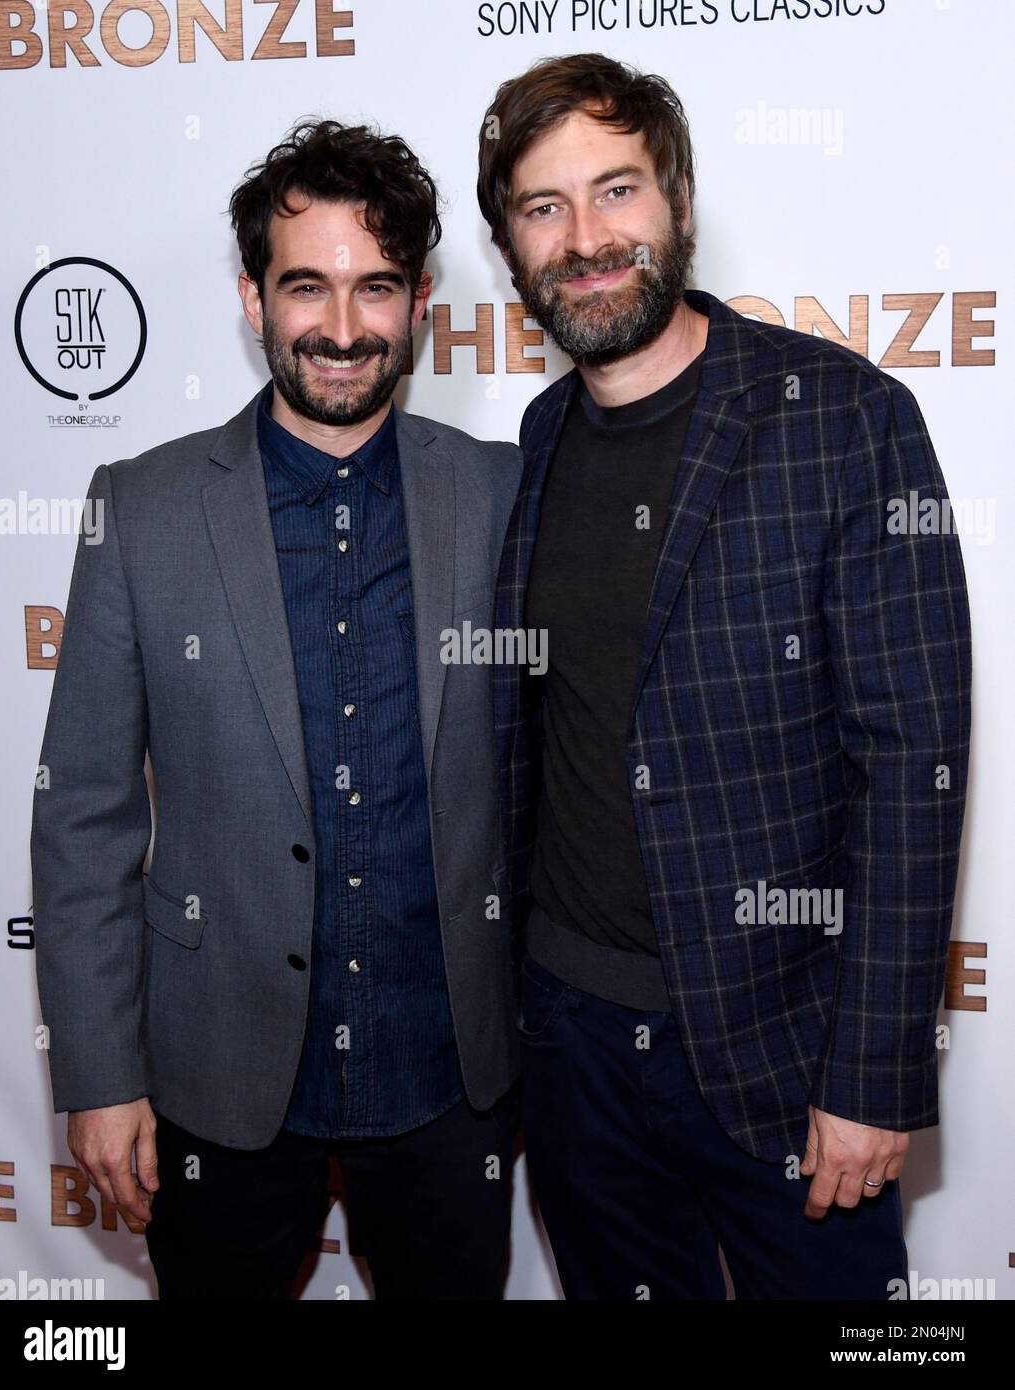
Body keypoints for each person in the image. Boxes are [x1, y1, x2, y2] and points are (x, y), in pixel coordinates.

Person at [477, 54, 972, 1300]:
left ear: (680, 204)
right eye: (544, 208)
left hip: (783, 1044)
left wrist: (871, 1075)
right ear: (511, 246)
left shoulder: (844, 419)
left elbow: (912, 766)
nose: (585, 240)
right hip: (574, 1042)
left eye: (617, 192)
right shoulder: (537, 440)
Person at [31, 118, 522, 1300]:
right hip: (220, 1077)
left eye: (377, 288)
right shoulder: (140, 509)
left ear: (418, 304)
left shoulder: (504, 492)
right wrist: (99, 1076)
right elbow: (85, 813)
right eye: (308, 286)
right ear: (254, 299)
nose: (344, 329)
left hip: (450, 1074)